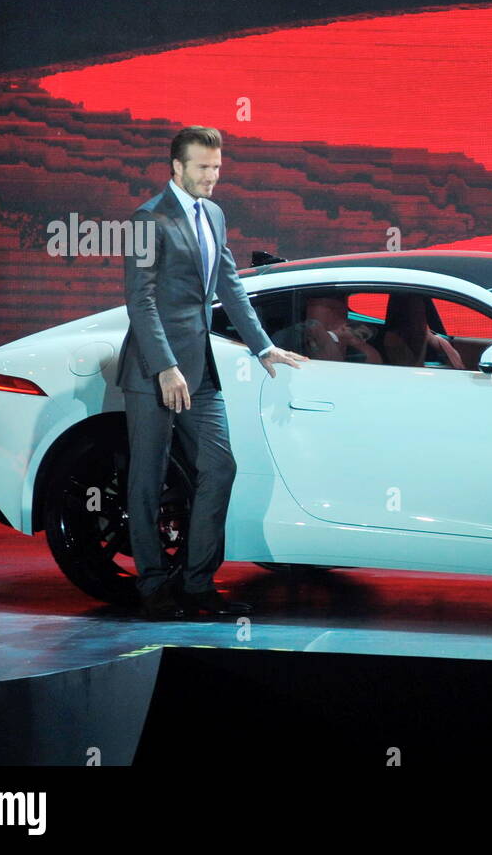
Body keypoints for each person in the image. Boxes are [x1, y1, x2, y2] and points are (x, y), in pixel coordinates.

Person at [115, 126, 307, 619]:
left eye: (217, 167)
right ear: (176, 167)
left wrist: (263, 347)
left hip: (199, 371)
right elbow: (140, 301)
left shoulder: (215, 215)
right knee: (148, 479)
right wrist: (166, 368)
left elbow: (229, 286)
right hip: (153, 372)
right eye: (203, 167)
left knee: (219, 467)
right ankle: (153, 586)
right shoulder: (145, 220)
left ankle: (197, 584)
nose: (212, 177)